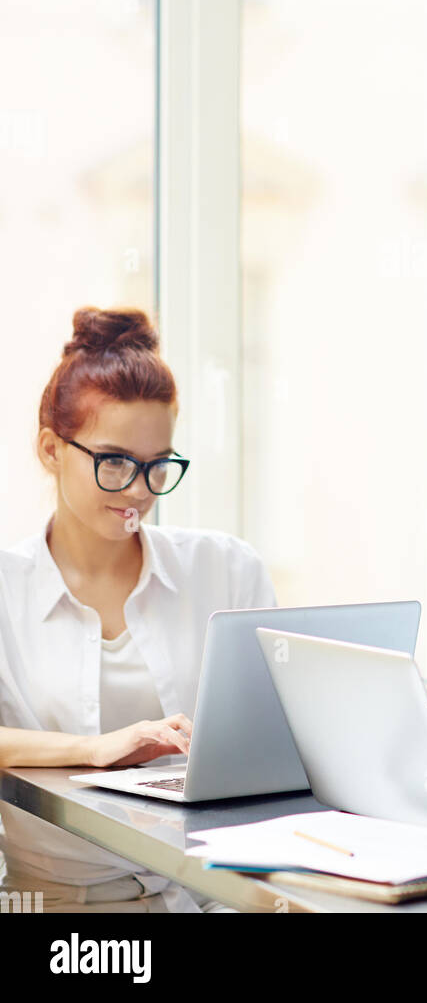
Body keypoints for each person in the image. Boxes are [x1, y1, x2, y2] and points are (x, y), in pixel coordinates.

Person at [0, 306, 276, 911]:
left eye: (158, 465)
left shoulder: (226, 568)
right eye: (115, 461)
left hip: (210, 891)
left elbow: (277, 731)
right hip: (63, 908)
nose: (139, 490)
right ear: (50, 449)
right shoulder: (6, 589)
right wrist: (94, 749)